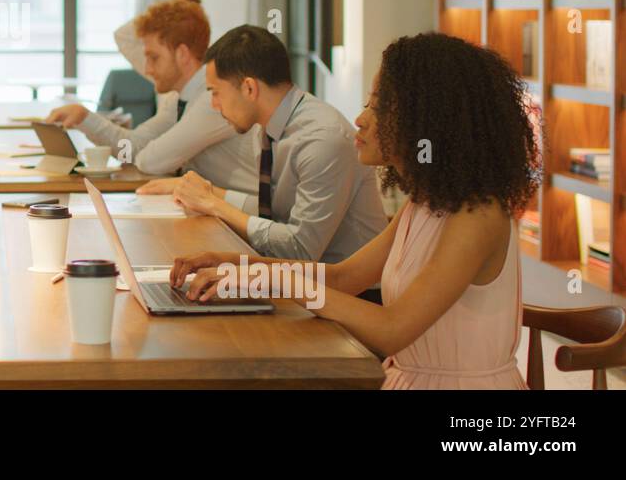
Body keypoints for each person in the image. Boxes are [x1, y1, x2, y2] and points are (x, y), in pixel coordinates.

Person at [172, 32, 536, 389]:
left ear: (429, 119)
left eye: (378, 106)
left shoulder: (478, 217)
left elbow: (392, 330)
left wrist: (281, 281)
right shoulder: (425, 202)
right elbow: (345, 277)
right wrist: (239, 266)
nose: (361, 119)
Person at [143, 24, 385, 268]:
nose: (215, 105)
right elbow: (275, 214)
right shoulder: (269, 127)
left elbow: (298, 250)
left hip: (349, 293)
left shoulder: (322, 139)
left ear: (249, 88)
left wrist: (215, 205)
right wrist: (209, 193)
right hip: (302, 281)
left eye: (215, 93)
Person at [46, 0, 257, 192]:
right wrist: (84, 118)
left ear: (182, 54)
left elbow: (151, 161)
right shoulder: (178, 101)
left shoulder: (212, 101)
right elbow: (135, 147)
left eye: (153, 57)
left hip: (244, 221)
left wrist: (173, 7)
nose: (147, 69)